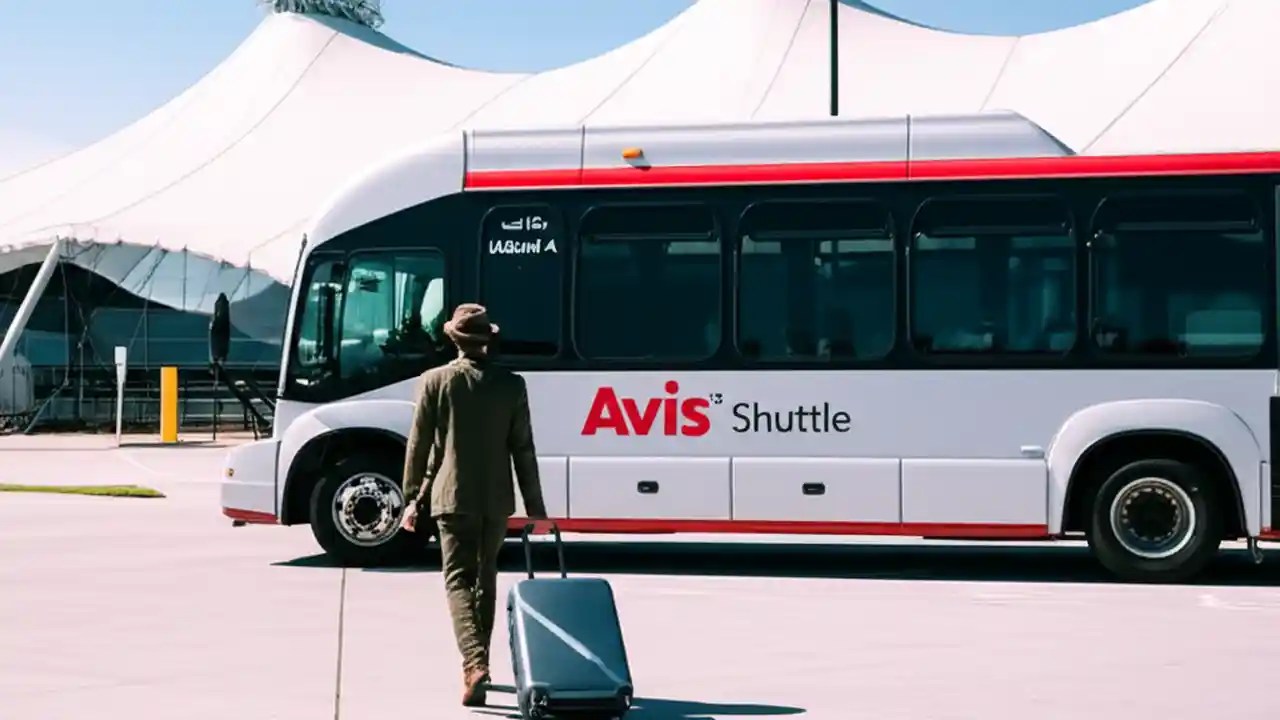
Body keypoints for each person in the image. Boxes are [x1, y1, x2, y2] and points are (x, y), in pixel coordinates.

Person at [399, 302, 548, 707]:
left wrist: (411, 498)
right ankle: (477, 666)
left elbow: (420, 446)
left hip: (452, 498)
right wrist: (535, 507)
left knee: (456, 580)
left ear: (454, 339)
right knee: (486, 577)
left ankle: (473, 663)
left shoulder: (434, 382)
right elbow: (523, 448)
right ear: (487, 339)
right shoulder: (512, 385)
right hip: (497, 500)